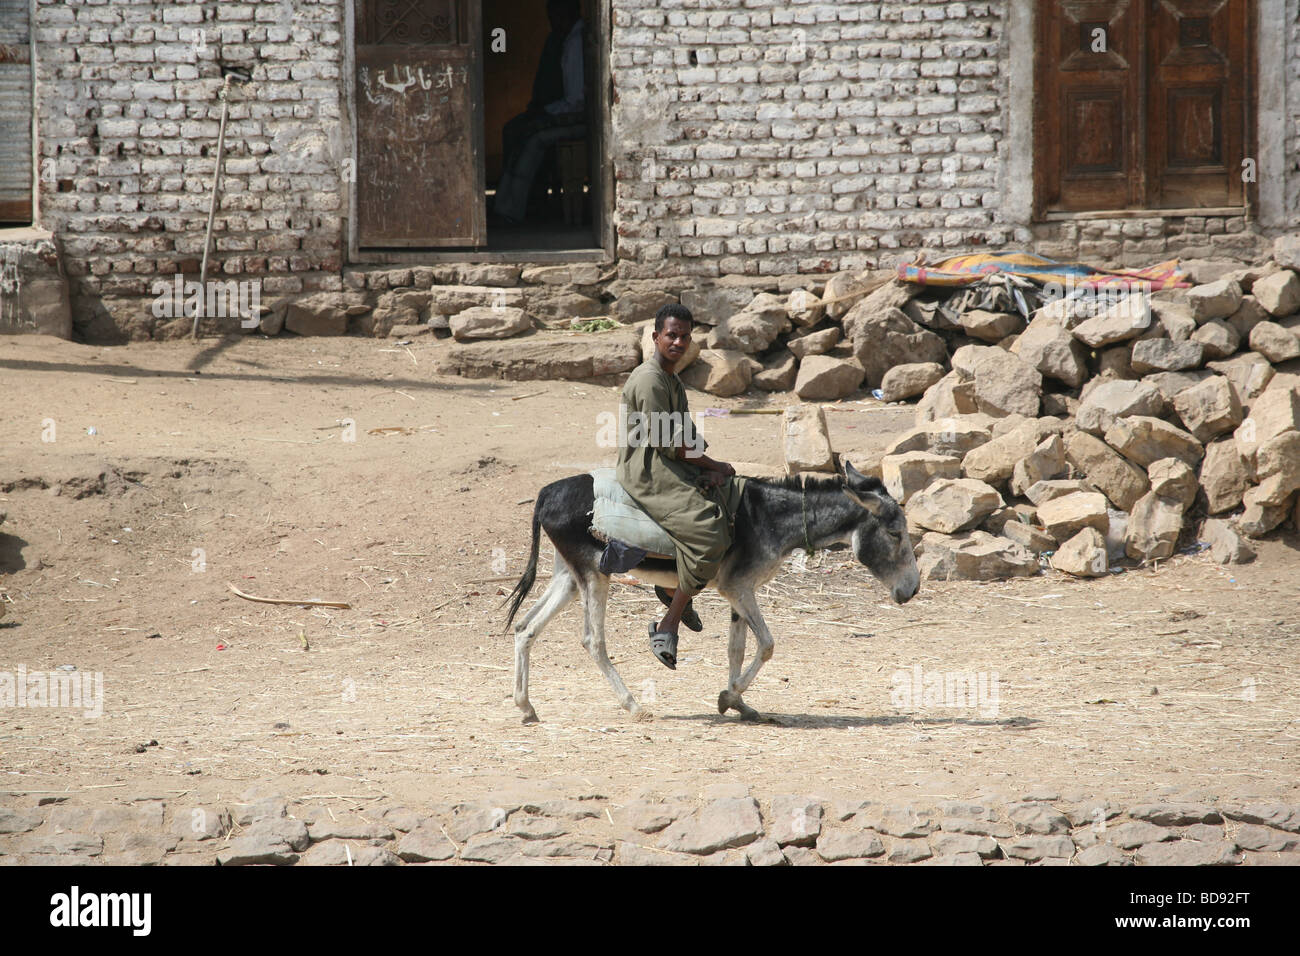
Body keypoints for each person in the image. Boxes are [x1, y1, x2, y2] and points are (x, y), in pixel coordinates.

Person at [615, 304, 743, 670]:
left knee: (733, 499)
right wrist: (714, 464)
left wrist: (711, 465)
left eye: (684, 336)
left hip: (672, 462)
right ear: (655, 337)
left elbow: (685, 433)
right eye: (671, 335)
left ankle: (673, 585)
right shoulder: (649, 380)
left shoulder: (671, 380)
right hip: (649, 472)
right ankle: (668, 624)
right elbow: (667, 443)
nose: (678, 341)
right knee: (710, 532)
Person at [491, 0, 585, 224]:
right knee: (516, 131)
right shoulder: (563, 40)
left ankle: (512, 209)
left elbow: (575, 101)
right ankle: (513, 203)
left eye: (555, 16)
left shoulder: (575, 43)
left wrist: (544, 112)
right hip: (564, 110)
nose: (552, 22)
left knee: (532, 139)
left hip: (577, 116)